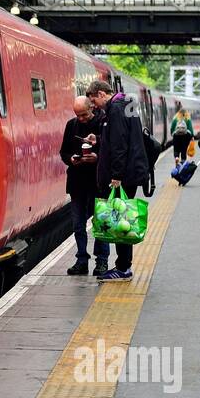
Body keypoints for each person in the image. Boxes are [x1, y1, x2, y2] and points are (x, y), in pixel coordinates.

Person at [86, 79, 150, 282]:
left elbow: (120, 145)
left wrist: (116, 176)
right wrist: (100, 139)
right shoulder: (126, 104)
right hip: (130, 172)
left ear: (101, 94)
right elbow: (123, 137)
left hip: (123, 175)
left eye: (94, 101)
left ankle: (123, 268)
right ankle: (123, 266)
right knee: (121, 218)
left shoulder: (115, 108)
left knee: (121, 221)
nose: (94, 106)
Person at [59, 96, 110, 277]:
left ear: (92, 109)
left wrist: (97, 157)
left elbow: (110, 149)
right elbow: (63, 151)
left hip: (98, 182)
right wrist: (71, 159)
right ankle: (82, 260)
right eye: (77, 115)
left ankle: (102, 261)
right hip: (77, 183)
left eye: (83, 114)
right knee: (78, 225)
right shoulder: (71, 125)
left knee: (101, 224)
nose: (80, 118)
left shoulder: (103, 124)